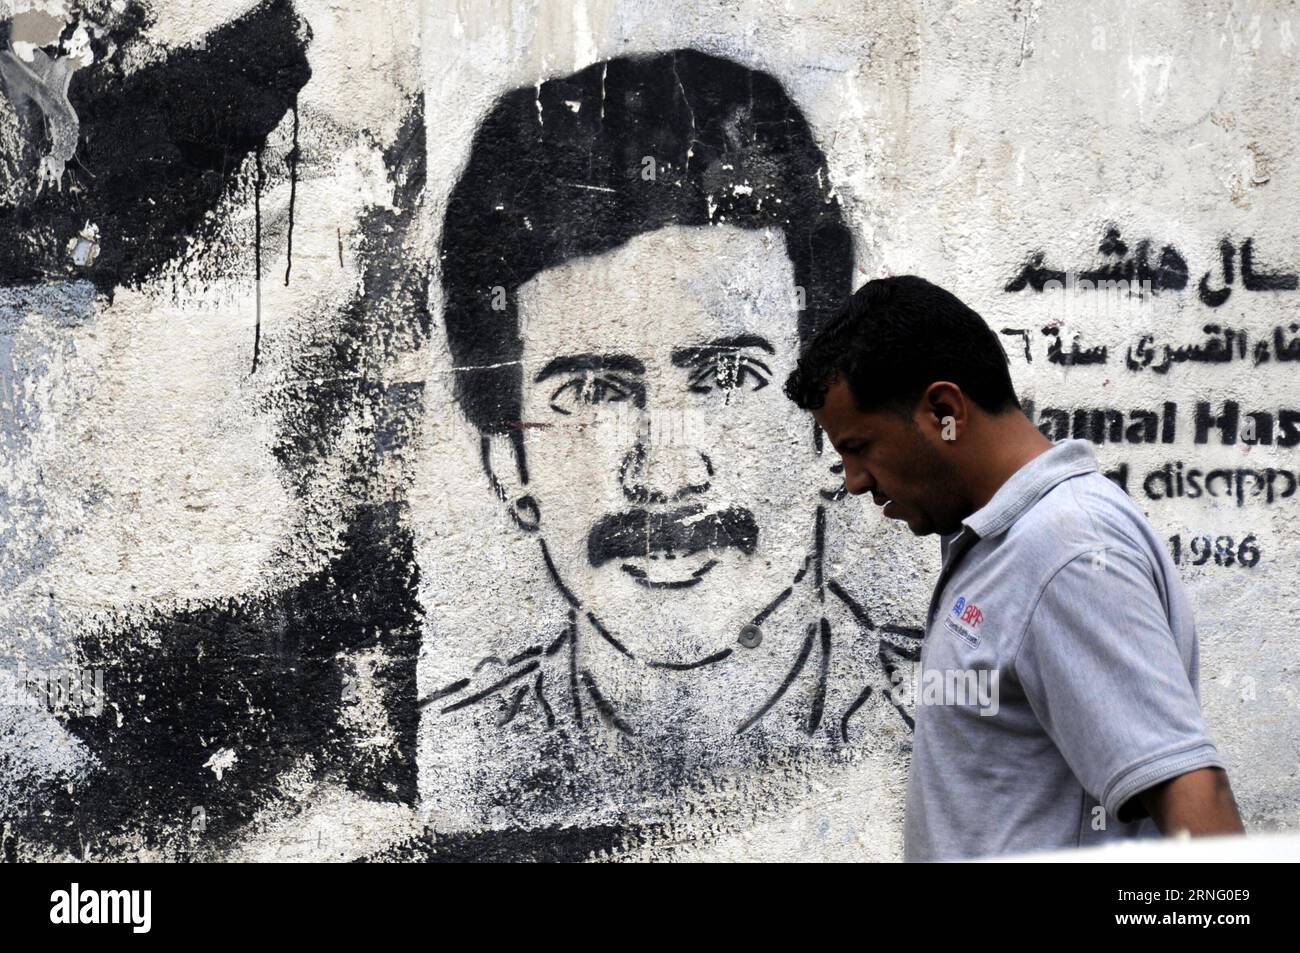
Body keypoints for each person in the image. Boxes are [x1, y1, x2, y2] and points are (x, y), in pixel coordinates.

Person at [427, 49, 924, 828]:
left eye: (727, 375)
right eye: (592, 392)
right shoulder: (444, 775)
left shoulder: (974, 738)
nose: (666, 472)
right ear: (506, 460)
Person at [784, 274, 1245, 861]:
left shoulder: (1065, 551)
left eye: (859, 446)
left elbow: (1191, 794)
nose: (853, 481)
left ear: (944, 411)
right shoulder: (1008, 540)